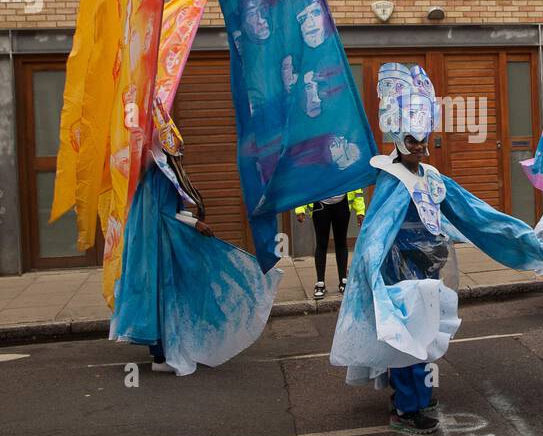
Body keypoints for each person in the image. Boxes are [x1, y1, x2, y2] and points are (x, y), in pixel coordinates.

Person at [330, 63, 543, 434]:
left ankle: (415, 397)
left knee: (425, 337)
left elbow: (474, 212)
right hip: (401, 274)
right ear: (398, 138)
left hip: (428, 271)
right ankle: (407, 408)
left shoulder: (431, 176)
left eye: (423, 139)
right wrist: (369, 269)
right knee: (408, 341)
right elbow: (376, 232)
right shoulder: (393, 178)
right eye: (412, 140)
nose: (419, 147)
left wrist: (525, 239)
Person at [110, 100, 281, 375]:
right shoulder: (158, 179)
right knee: (170, 297)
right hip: (164, 248)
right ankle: (164, 355)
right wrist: (195, 224)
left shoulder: (153, 178)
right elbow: (166, 216)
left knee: (166, 297)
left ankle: (161, 354)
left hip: (161, 247)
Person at [295, 190, 366, 297]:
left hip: (342, 204)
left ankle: (343, 280)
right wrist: (300, 209)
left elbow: (356, 186)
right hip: (320, 204)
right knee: (321, 244)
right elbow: (307, 181)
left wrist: (360, 211)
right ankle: (320, 283)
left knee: (341, 243)